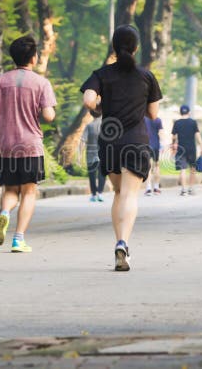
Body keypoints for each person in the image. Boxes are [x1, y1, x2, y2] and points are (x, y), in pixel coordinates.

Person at [81, 25, 162, 271]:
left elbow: (88, 100)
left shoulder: (101, 74)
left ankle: (120, 243)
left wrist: (98, 107)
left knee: (117, 193)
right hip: (136, 142)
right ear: (136, 47)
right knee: (129, 195)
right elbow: (153, 112)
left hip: (110, 142)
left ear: (114, 48)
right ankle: (123, 243)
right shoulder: (146, 76)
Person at [0, 36, 57, 253]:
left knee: (11, 190)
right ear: (34, 58)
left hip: (6, 145)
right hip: (30, 144)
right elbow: (49, 115)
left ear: (13, 57)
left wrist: (3, 110)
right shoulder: (41, 83)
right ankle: (18, 239)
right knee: (29, 192)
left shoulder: (1, 80)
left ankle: (4, 214)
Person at [171, 105, 202, 196]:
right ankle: (191, 188)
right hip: (191, 149)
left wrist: (173, 145)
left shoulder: (177, 123)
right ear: (189, 112)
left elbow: (174, 137)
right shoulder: (193, 122)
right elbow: (198, 136)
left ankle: (183, 190)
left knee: (182, 170)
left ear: (180, 112)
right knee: (192, 169)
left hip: (181, 149)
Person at [82, 111, 106, 202]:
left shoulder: (89, 126)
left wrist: (80, 153)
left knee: (92, 175)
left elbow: (83, 140)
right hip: (103, 155)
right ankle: (100, 193)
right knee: (102, 174)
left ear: (91, 114)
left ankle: (94, 194)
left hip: (90, 155)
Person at [143, 116, 163, 195]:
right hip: (156, 146)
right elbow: (161, 133)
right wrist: (162, 145)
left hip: (146, 145)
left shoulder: (143, 119)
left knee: (148, 167)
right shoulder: (158, 119)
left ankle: (148, 188)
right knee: (156, 166)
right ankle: (156, 188)